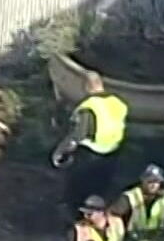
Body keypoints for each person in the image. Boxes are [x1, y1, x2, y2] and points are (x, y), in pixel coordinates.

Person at [54, 71, 127, 213]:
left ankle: (75, 215)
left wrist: (61, 152)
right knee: (101, 189)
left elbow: (78, 135)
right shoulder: (118, 103)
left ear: (86, 86)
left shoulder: (89, 106)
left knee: (79, 189)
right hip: (114, 153)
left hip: (90, 155)